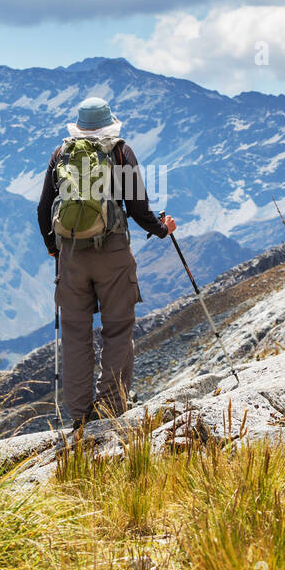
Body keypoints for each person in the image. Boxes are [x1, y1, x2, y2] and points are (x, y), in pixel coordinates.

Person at [37, 96, 175, 430]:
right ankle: (111, 407)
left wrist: (55, 249)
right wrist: (162, 229)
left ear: (79, 126)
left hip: (71, 256)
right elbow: (138, 208)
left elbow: (43, 209)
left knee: (75, 335)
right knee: (117, 329)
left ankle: (80, 414)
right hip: (112, 253)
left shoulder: (61, 154)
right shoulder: (120, 152)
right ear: (110, 123)